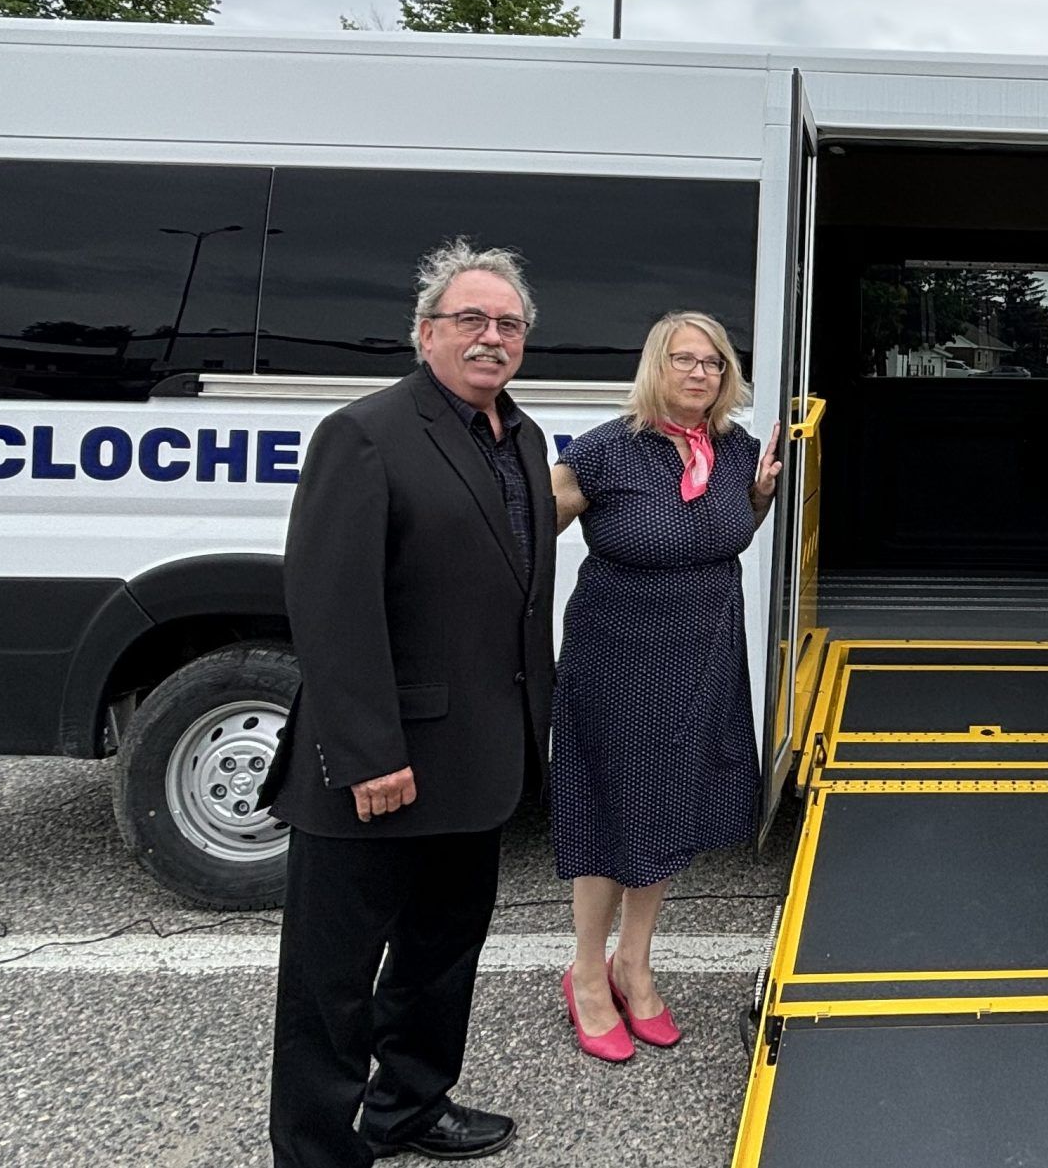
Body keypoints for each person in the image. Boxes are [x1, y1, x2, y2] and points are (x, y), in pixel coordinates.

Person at [261, 241, 555, 1165]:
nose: (491, 336)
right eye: (470, 319)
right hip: (381, 767)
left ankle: (408, 1106)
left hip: (477, 762)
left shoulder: (524, 438)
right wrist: (368, 752)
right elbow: (330, 604)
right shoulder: (365, 433)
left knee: (439, 955)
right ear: (426, 332)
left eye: (508, 323)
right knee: (331, 981)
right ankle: (317, 1148)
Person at [547, 310, 781, 1062]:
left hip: (702, 651)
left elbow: (726, 529)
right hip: (618, 654)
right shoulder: (605, 449)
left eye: (713, 363)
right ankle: (587, 972)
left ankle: (635, 963)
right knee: (607, 806)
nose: (700, 373)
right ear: (656, 365)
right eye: (684, 359)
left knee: (669, 803)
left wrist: (761, 498)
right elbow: (526, 528)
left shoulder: (737, 449)